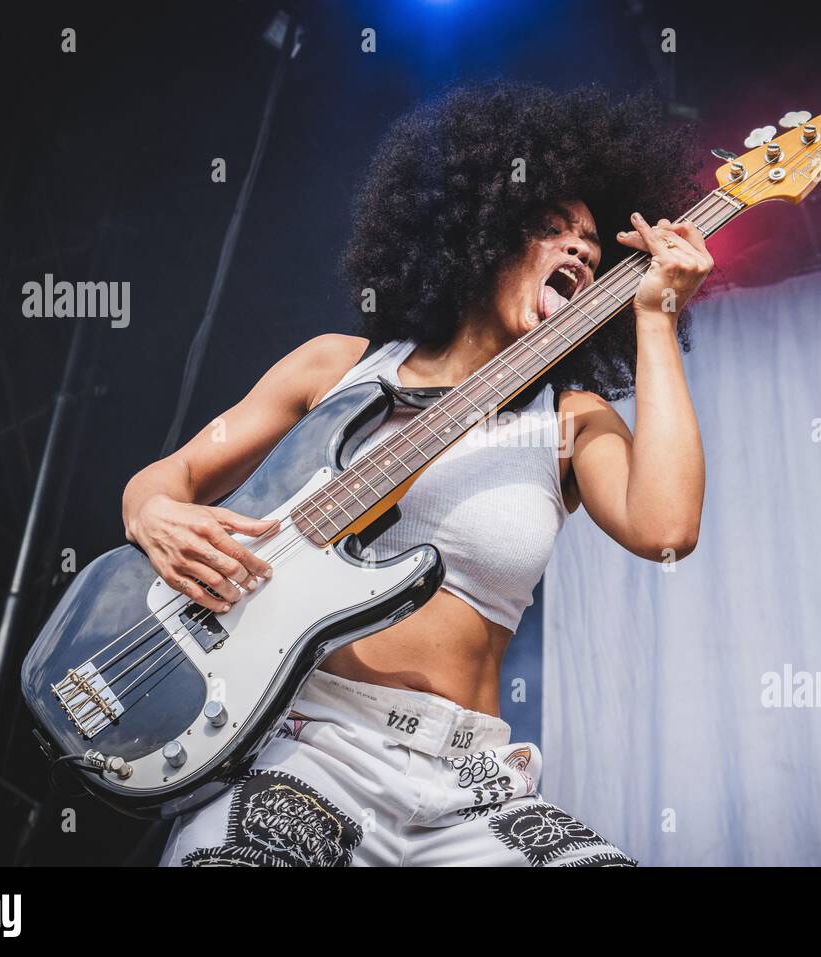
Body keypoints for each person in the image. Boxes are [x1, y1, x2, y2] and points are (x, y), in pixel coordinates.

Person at [123, 82, 710, 866]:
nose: (583, 249)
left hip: (473, 779)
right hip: (308, 748)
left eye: (593, 243)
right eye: (552, 227)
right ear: (485, 233)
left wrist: (655, 318)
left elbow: (666, 528)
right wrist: (152, 510)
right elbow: (176, 472)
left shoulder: (571, 422)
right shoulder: (339, 367)